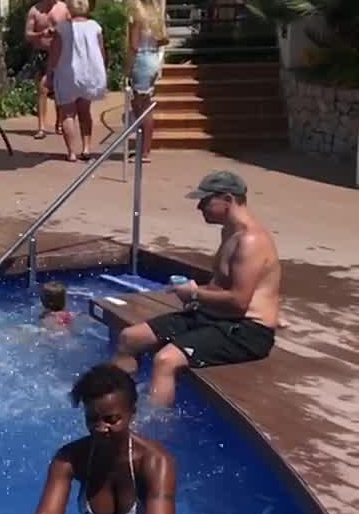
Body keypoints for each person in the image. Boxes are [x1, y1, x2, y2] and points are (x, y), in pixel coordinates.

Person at [22, 365, 204, 514]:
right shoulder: (71, 459)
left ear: (132, 414)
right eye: (92, 419)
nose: (100, 428)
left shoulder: (155, 462)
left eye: (111, 419)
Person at [112, 171, 280, 407]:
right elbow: (222, 284)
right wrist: (198, 298)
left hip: (246, 331)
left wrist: (194, 293)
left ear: (228, 199)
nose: (199, 207)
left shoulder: (251, 242)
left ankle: (154, 431)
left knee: (165, 360)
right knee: (130, 338)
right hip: (215, 318)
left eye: (205, 201)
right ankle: (120, 405)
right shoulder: (229, 232)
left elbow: (240, 301)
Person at [51, 0, 107, 163]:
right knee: (85, 112)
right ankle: (87, 148)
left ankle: (71, 152)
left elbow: (55, 53)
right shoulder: (95, 26)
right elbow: (101, 52)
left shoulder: (62, 27)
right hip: (89, 73)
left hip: (67, 72)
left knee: (68, 114)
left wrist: (50, 71)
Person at [127, 0, 168, 163]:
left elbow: (134, 46)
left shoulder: (138, 20)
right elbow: (164, 40)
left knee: (141, 107)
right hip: (152, 58)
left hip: (142, 60)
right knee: (145, 105)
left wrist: (128, 68)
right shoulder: (156, 20)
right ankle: (144, 148)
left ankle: (143, 151)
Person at [25, 0, 70, 139]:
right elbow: (28, 34)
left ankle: (59, 123)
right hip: (41, 54)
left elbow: (72, 29)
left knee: (59, 90)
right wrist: (41, 34)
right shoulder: (35, 11)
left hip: (60, 54)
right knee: (42, 89)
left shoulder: (64, 9)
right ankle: (42, 127)